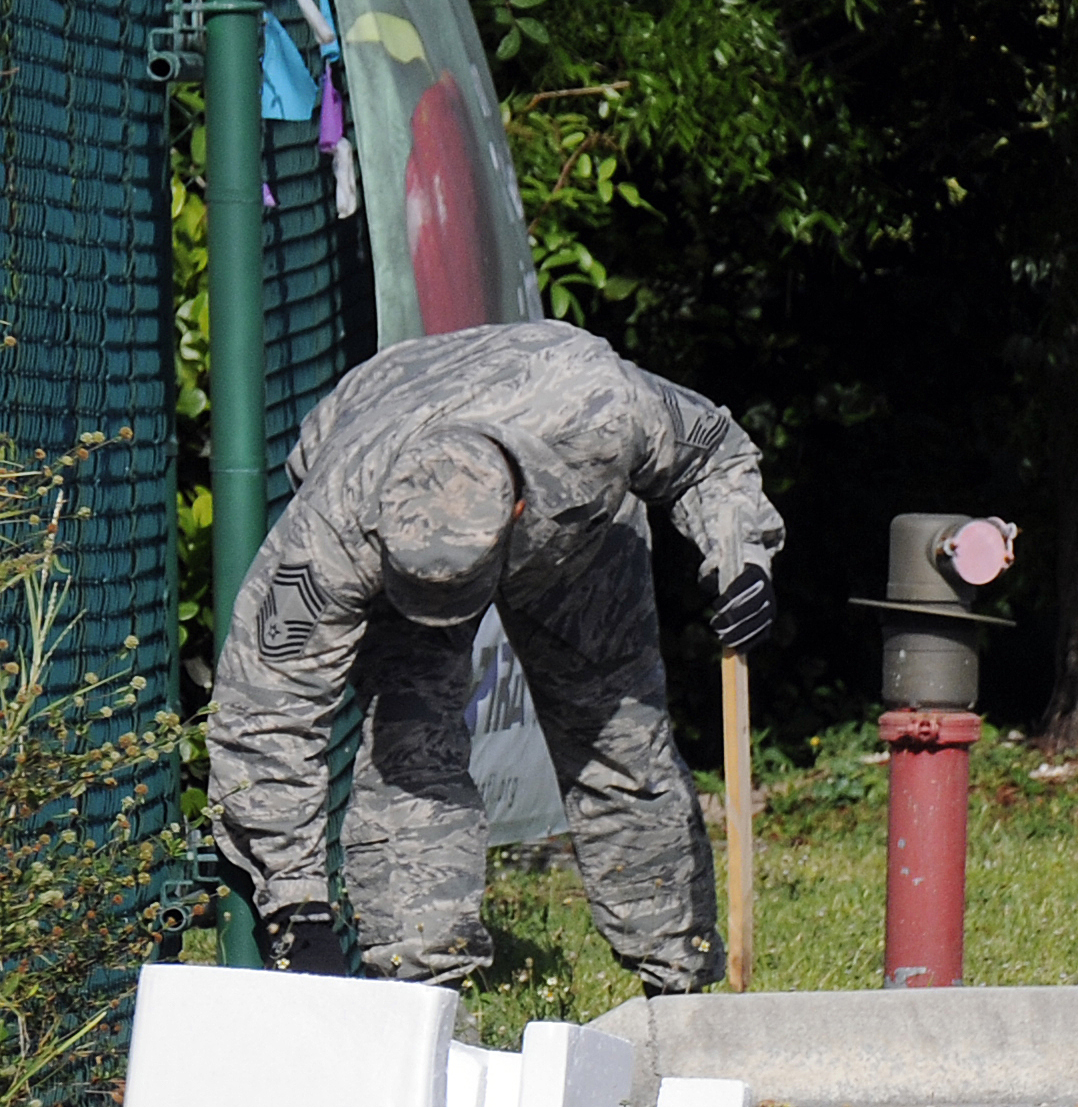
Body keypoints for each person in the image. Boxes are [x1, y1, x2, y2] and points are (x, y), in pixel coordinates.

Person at [203, 320, 782, 991]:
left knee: (621, 744)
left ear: (515, 508)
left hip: (578, 535)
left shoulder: (598, 410)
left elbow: (713, 451)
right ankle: (425, 998)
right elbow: (264, 711)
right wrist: (296, 910)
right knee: (408, 758)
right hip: (385, 479)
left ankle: (676, 986)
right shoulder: (337, 519)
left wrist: (740, 555)